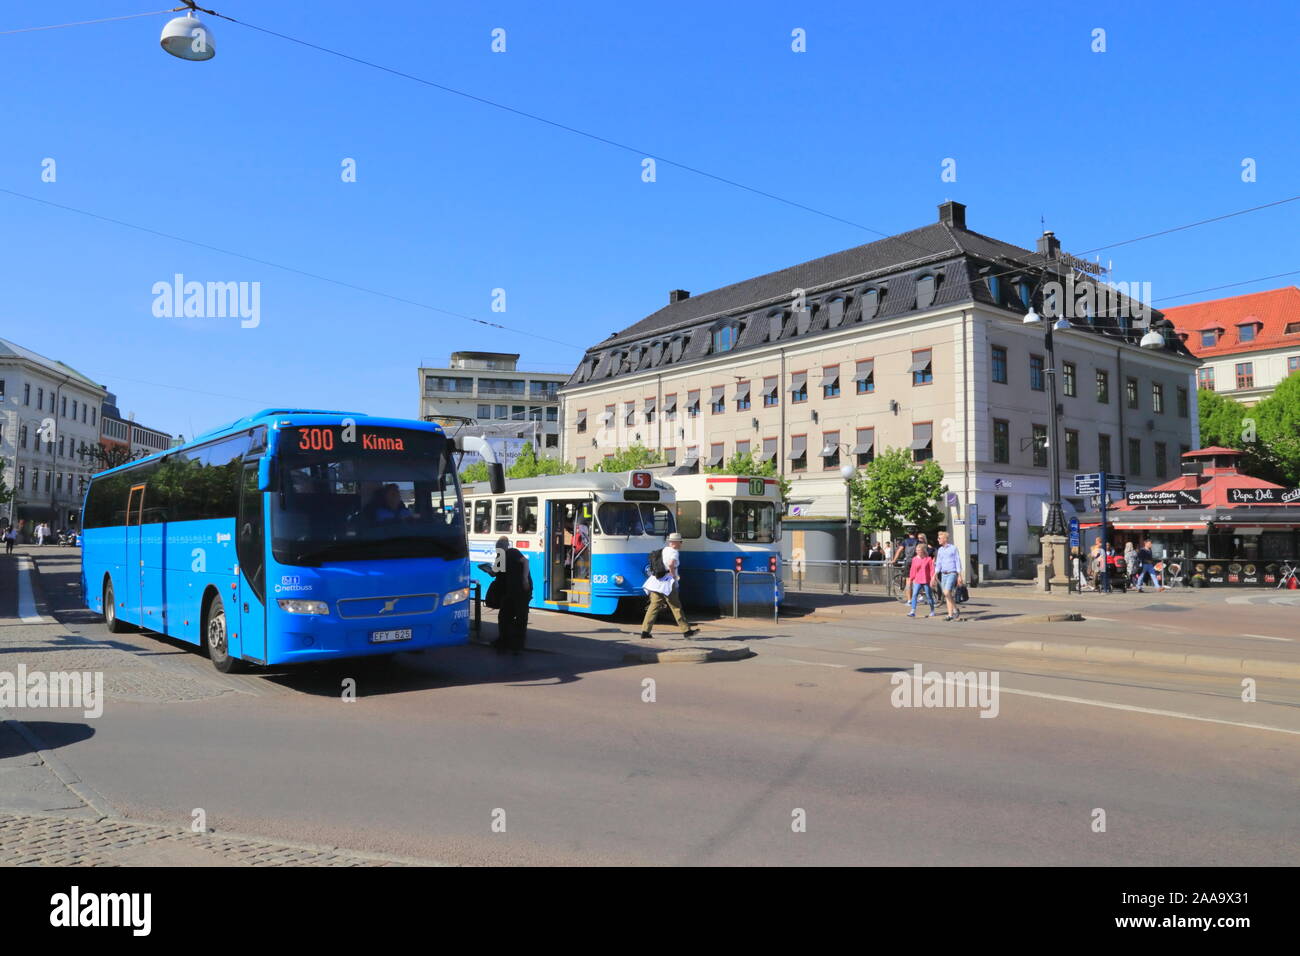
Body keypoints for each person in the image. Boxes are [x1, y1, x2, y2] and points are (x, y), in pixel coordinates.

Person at [640, 532, 698, 640]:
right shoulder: (674, 552)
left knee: (653, 607)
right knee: (676, 607)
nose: (681, 544)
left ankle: (645, 631)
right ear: (675, 543)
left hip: (656, 582)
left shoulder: (664, 550)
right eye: (680, 542)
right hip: (667, 583)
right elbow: (671, 564)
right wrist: (673, 575)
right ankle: (686, 631)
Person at [491, 536, 532, 655]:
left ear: (504, 546)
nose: (497, 550)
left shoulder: (513, 552)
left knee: (520, 617)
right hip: (510, 591)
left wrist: (525, 579)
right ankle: (504, 641)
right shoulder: (501, 556)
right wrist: (488, 570)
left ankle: (517, 645)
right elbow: (495, 573)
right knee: (504, 616)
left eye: (499, 547)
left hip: (521, 590)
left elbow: (525, 561)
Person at [932, 530, 963, 621]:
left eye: (939, 538)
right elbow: (939, 563)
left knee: (946, 592)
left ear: (945, 539)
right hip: (943, 574)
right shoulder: (940, 550)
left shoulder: (953, 548)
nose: (938, 540)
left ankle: (955, 609)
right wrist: (935, 574)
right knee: (947, 595)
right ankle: (950, 614)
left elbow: (958, 561)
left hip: (952, 573)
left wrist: (959, 575)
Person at [907, 544, 936, 617]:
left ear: (923, 551)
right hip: (917, 580)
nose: (918, 552)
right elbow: (913, 570)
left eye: (919, 550)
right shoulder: (914, 559)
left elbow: (932, 570)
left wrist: (933, 578)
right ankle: (913, 611)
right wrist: (911, 578)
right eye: (917, 550)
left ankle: (932, 610)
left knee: (929, 596)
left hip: (926, 580)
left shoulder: (928, 559)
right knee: (914, 594)